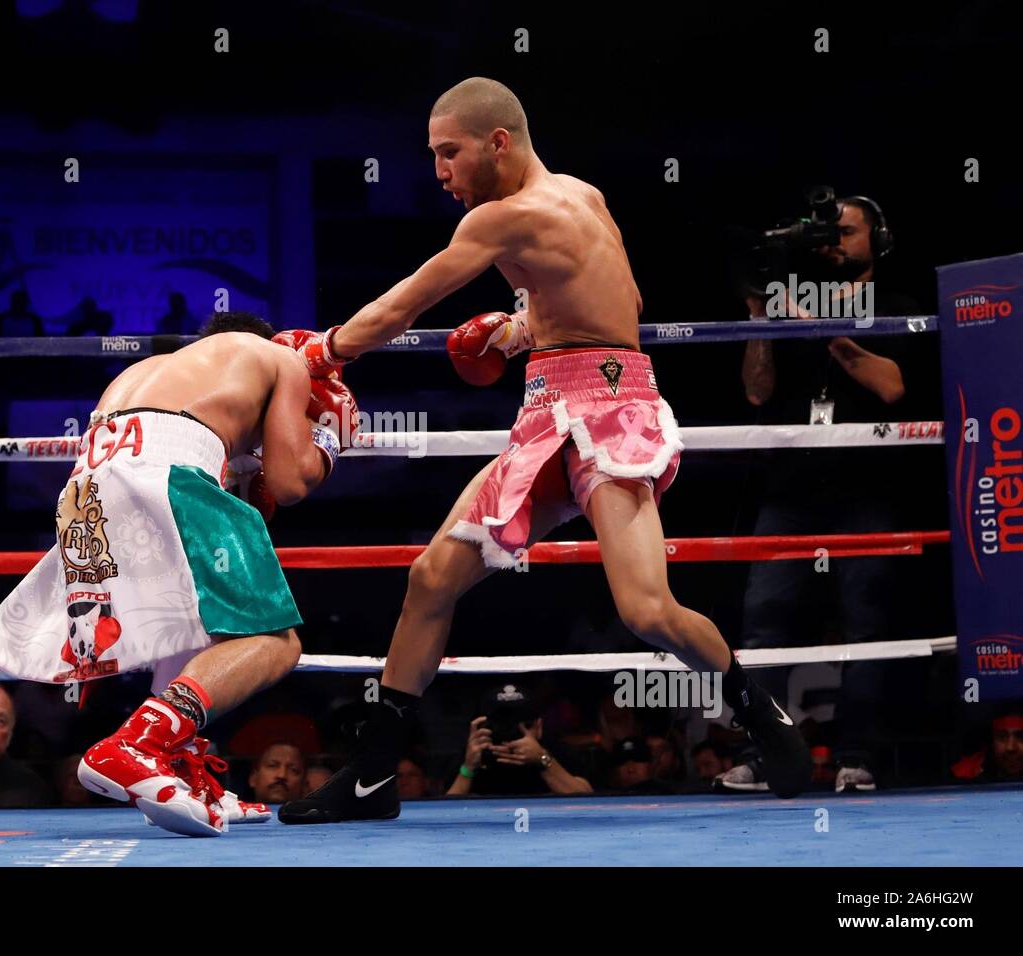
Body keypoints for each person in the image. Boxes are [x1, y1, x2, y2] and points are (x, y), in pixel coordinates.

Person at [280, 76, 811, 825]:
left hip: (613, 410)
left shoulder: (503, 219)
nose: (439, 171)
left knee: (648, 609)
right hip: (547, 407)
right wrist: (526, 326)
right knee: (432, 578)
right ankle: (373, 776)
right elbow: (619, 304)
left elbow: (406, 302)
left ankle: (760, 713)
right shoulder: (580, 194)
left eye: (449, 152)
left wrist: (324, 351)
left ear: (499, 143)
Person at [0, 312, 358, 836]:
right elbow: (287, 485)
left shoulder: (158, 371)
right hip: (166, 477)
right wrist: (327, 441)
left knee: (192, 622)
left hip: (86, 494)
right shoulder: (279, 358)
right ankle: (134, 745)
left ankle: (178, 770)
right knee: (273, 641)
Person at [727, 195, 926, 794]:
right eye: (825, 234)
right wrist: (763, 318)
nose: (834, 242)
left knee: (865, 627)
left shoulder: (898, 307)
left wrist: (828, 322)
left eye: (847, 231)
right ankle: (763, 757)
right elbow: (757, 392)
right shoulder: (789, 307)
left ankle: (856, 757)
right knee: (763, 625)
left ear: (878, 240)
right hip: (789, 489)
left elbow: (892, 387)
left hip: (867, 490)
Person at [445, 684, 591, 796]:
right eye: (502, 725)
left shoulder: (554, 751)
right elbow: (442, 815)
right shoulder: (474, 754)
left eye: (524, 725)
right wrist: (468, 768)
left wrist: (544, 761)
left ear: (539, 727)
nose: (512, 733)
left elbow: (588, 803)